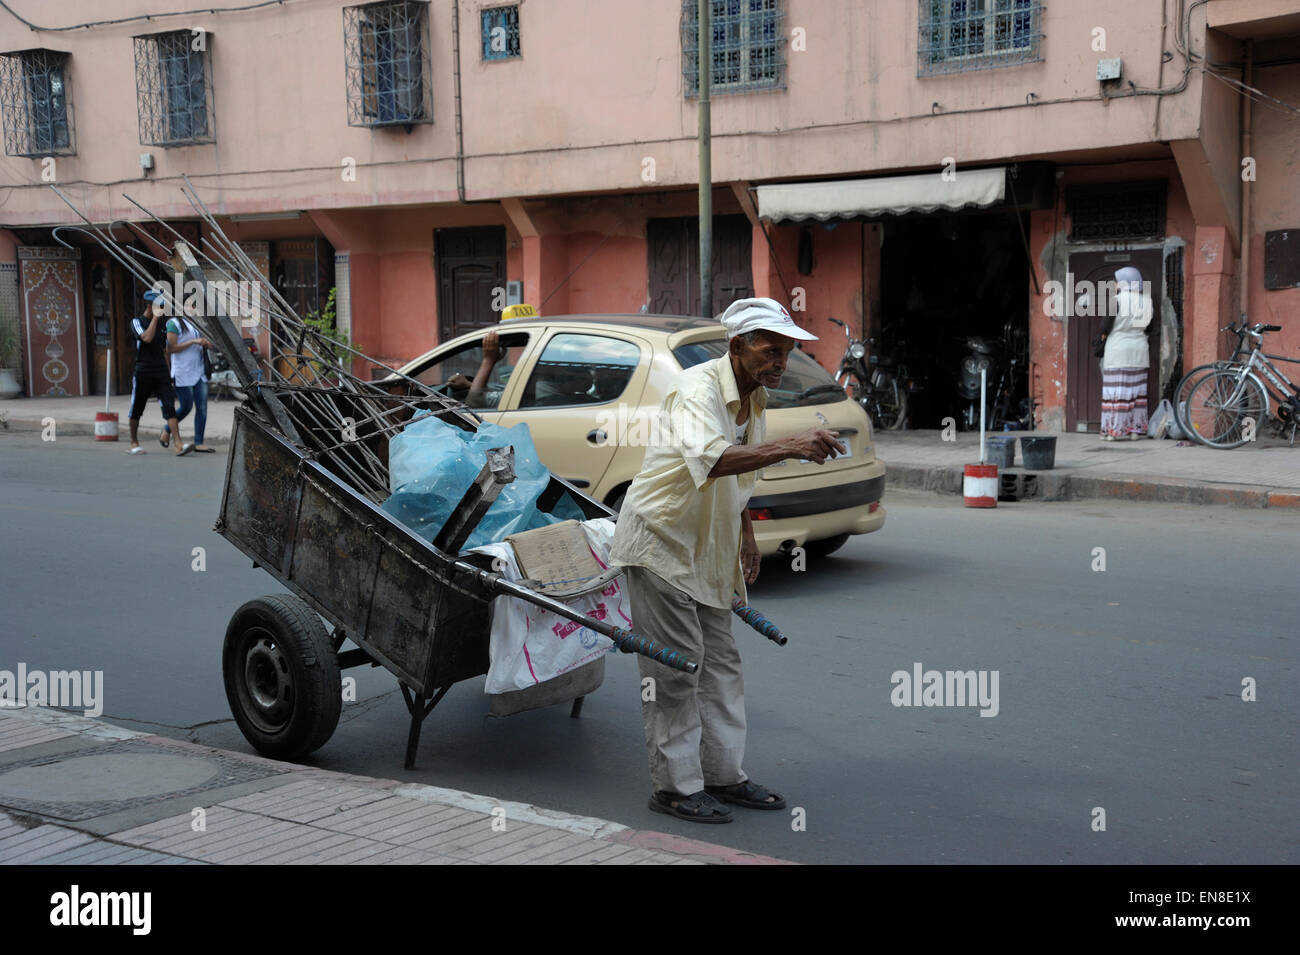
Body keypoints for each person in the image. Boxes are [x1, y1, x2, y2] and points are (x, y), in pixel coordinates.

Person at [609, 296, 846, 823]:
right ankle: (674, 786)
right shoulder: (698, 390)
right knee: (677, 670)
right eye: (770, 350)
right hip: (662, 545)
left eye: (786, 352)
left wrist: (744, 535)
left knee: (721, 666)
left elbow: (738, 479)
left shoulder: (754, 398)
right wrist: (792, 445)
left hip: (709, 549)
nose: (780, 361)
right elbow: (712, 459)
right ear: (737, 347)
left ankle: (722, 775)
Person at [127, 290, 187, 456]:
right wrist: (154, 318)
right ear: (149, 306)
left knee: (169, 406)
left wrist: (169, 373)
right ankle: (133, 441)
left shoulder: (163, 324)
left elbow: (166, 350)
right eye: (159, 306)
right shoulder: (137, 322)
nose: (161, 309)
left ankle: (178, 443)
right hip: (143, 370)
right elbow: (146, 338)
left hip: (160, 370)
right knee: (137, 407)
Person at [1100, 266, 1154, 441]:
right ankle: (1135, 431)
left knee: (1116, 392)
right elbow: (1150, 327)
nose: (1115, 283)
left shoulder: (1116, 300)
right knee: (1137, 393)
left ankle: (1112, 432)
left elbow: (1105, 327)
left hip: (1117, 351)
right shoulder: (1147, 301)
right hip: (1139, 351)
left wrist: (1100, 338)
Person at [160, 306, 216, 453]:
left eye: (195, 305)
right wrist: (193, 342)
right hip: (182, 372)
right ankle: (167, 429)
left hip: (199, 371)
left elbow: (201, 343)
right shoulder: (174, 323)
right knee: (186, 406)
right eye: (190, 305)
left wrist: (205, 344)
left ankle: (199, 442)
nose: (194, 308)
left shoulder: (195, 323)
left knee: (202, 408)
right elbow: (170, 348)